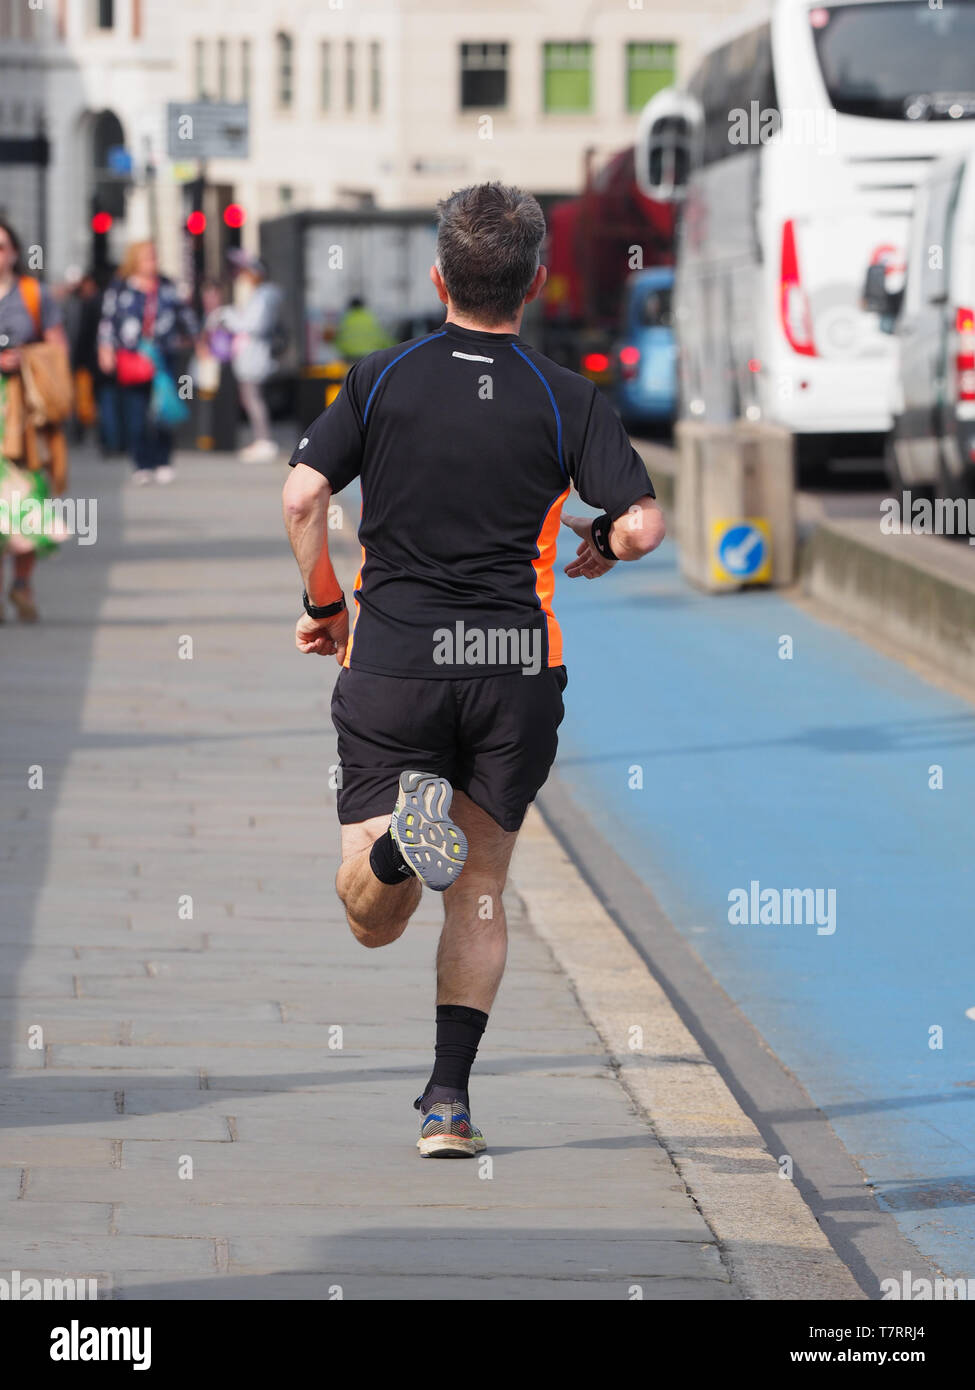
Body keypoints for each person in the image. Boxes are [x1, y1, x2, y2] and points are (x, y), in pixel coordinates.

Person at [282, 182, 665, 1158]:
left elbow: (301, 496)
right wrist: (607, 543)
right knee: (484, 884)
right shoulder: (563, 394)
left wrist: (326, 606)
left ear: (437, 275)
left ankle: (395, 856)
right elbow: (644, 522)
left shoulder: (380, 377)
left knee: (374, 921)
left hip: (400, 659)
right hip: (514, 669)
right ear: (535, 281)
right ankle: (447, 1102)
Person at [0, 218, 70, 622]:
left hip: (24, 415)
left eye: (3, 245)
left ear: (14, 251)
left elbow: (57, 350)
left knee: (28, 499)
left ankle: (22, 582)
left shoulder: (32, 295)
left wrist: (24, 359)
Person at [97, 241, 196, 485]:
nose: (153, 262)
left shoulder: (166, 285)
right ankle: (142, 462)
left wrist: (193, 339)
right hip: (133, 356)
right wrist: (105, 349)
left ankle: (163, 459)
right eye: (147, 258)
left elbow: (186, 316)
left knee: (164, 408)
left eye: (154, 257)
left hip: (163, 356)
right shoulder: (120, 287)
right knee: (136, 412)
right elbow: (108, 320)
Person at [227, 250, 283, 464]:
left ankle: (264, 440)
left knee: (254, 397)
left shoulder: (263, 295)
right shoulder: (262, 294)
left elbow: (254, 325)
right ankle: (261, 439)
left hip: (255, 355)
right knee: (250, 397)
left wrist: (230, 318)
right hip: (252, 354)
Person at [334, 295, 392, 362]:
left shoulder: (346, 319)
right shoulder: (371, 318)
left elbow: (338, 340)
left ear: (350, 306)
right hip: (369, 356)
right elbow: (382, 338)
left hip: (350, 356)